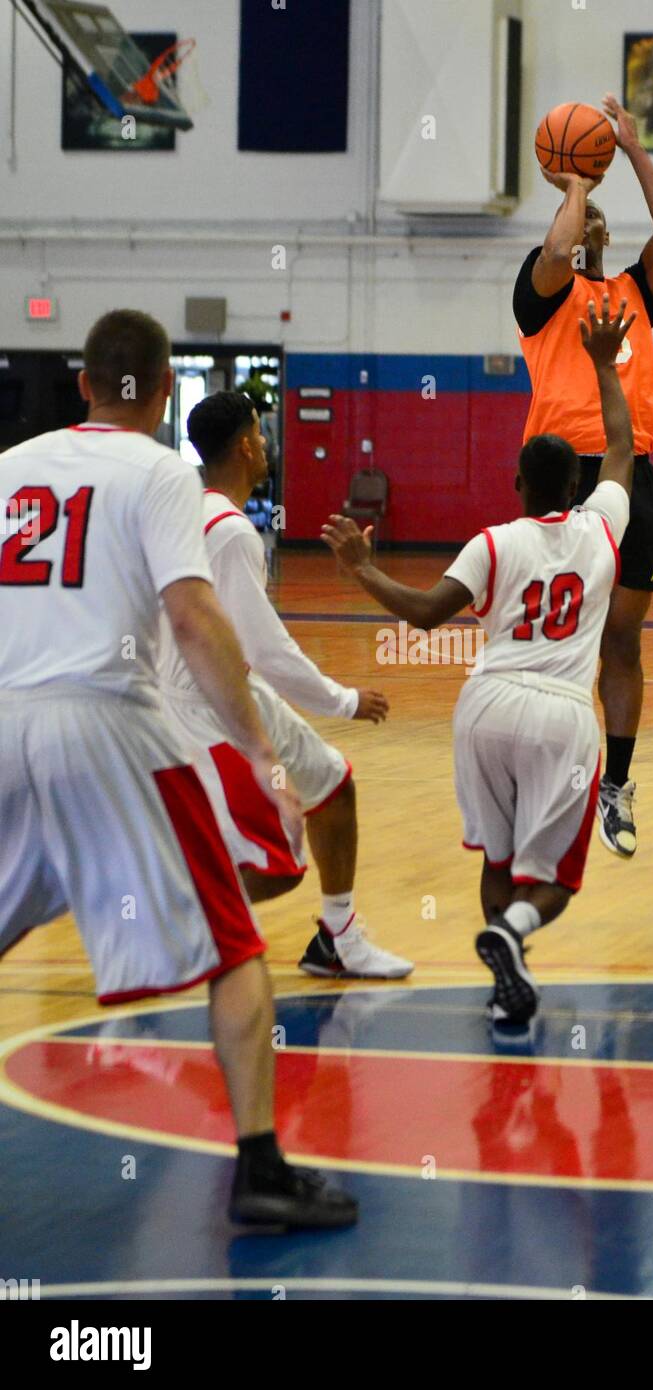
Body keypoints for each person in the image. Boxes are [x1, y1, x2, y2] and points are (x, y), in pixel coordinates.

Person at [0, 310, 356, 1230]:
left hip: (6, 725)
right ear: (163, 393)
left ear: (84, 384)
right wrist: (264, 750)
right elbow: (196, 620)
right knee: (236, 945)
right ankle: (260, 1169)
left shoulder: (8, 469)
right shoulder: (159, 470)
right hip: (107, 721)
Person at [322, 298, 634, 1025]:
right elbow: (620, 446)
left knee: (498, 861)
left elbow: (428, 613)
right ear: (574, 489)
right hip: (561, 715)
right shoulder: (600, 530)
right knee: (552, 878)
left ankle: (507, 987)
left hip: (487, 704)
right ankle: (512, 935)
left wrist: (362, 571)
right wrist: (601, 362)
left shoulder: (492, 541)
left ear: (519, 485)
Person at [158, 390, 413, 980]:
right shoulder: (231, 534)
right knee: (276, 863)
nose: (269, 441)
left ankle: (338, 938)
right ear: (246, 445)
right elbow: (267, 650)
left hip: (222, 687)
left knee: (332, 783)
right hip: (208, 707)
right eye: (262, 432)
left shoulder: (183, 513)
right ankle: (169, 924)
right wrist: (345, 699)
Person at [514, 92, 653, 858]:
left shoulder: (634, 295)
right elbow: (554, 257)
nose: (588, 234)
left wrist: (628, 145)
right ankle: (544, 779)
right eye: (581, 225)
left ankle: (616, 788)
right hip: (557, 473)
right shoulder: (542, 295)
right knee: (551, 641)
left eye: (596, 228)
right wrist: (573, 179)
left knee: (622, 641)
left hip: (628, 473)